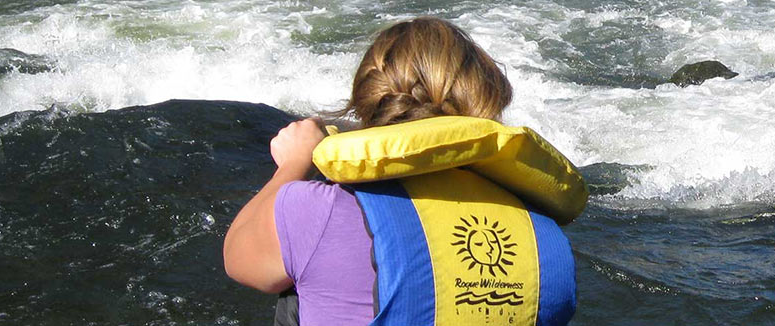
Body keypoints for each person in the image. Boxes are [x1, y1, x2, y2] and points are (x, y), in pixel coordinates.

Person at [222, 18, 579, 326]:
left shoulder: (323, 210)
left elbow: (237, 257)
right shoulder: (544, 237)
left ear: (368, 99)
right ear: (489, 100)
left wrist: (292, 164)